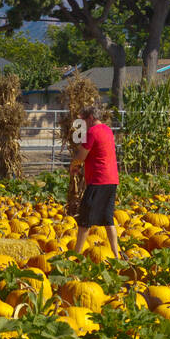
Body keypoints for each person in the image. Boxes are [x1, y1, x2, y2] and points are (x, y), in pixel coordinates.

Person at [69, 105, 120, 258]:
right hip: (112, 179)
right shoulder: (107, 130)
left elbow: (81, 156)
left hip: (99, 180)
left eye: (83, 119)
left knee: (85, 219)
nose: (82, 123)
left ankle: (76, 256)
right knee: (108, 218)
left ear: (90, 118)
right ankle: (116, 255)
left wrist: (74, 167)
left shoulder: (92, 132)